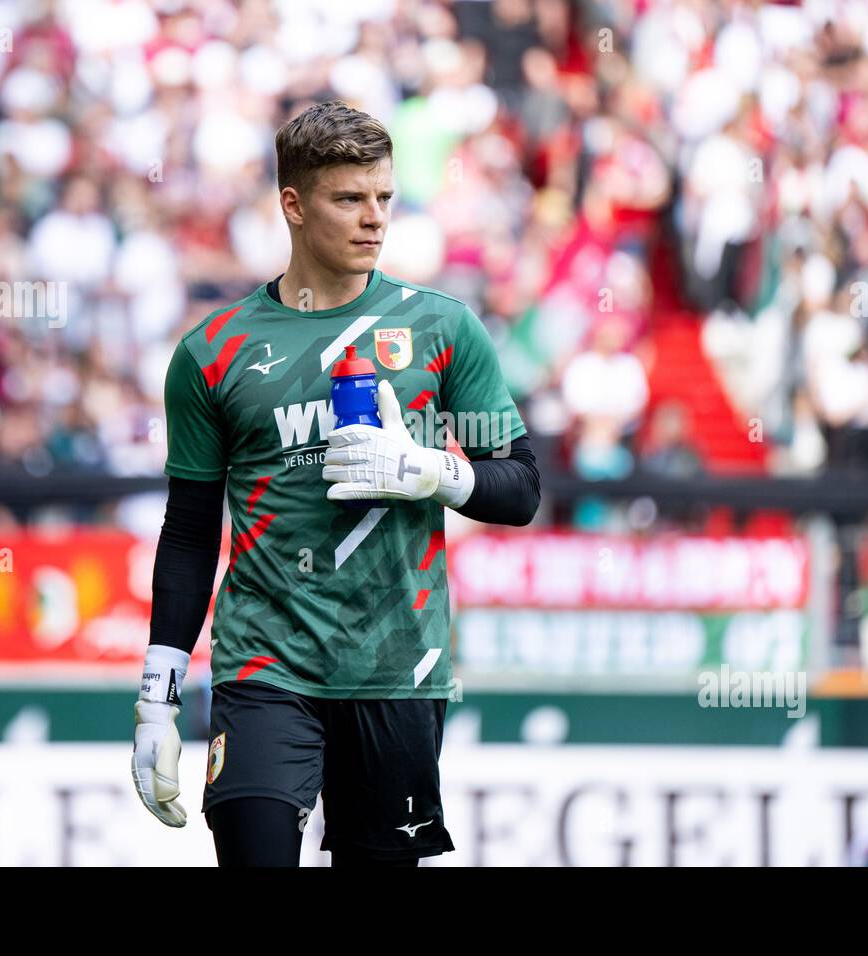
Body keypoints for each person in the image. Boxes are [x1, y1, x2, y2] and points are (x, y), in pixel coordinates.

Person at [130, 100, 541, 867]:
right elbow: (188, 530)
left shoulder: (445, 330)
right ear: (292, 203)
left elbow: (519, 486)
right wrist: (158, 694)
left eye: (383, 197)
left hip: (397, 669)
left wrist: (431, 471)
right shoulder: (212, 351)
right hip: (264, 664)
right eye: (349, 199)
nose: (374, 218)